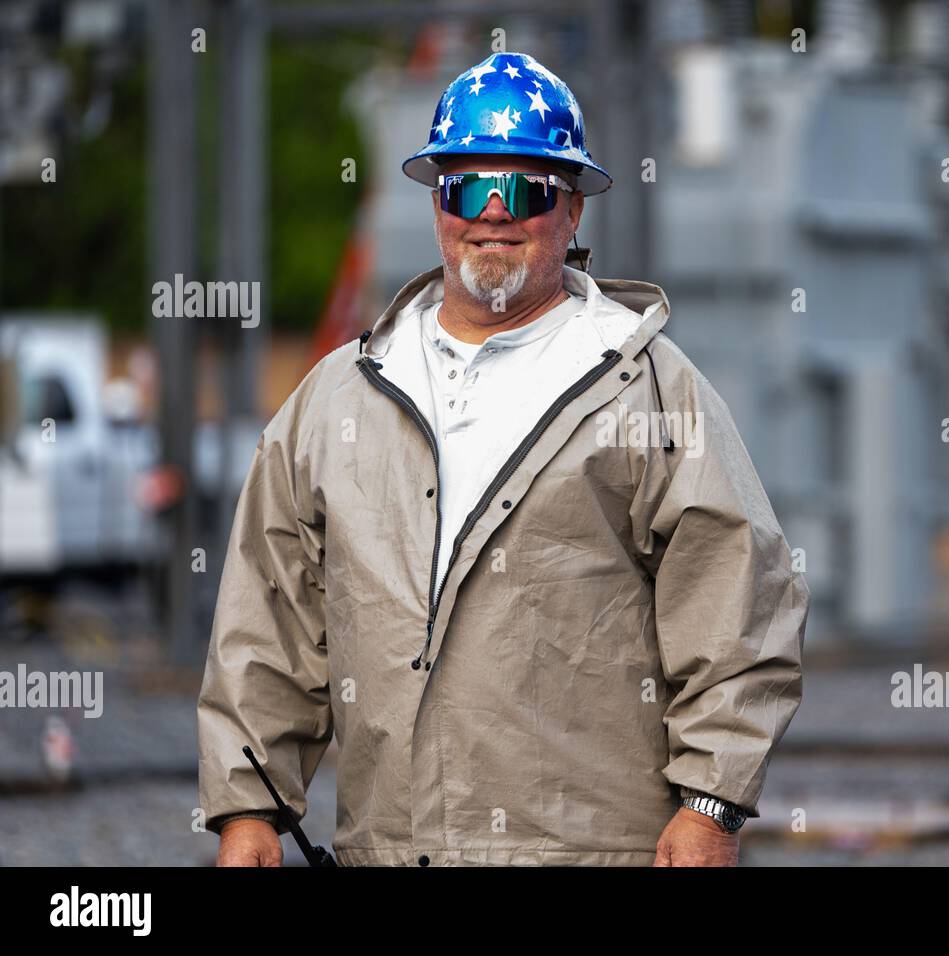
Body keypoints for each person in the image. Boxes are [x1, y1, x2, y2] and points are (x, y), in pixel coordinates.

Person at [197, 50, 808, 867]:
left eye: (524, 189)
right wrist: (248, 812)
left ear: (573, 212)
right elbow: (270, 614)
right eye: (467, 186)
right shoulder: (337, 400)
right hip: (390, 849)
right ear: (437, 203)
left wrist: (711, 808)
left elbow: (739, 604)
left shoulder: (647, 390)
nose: (493, 211)